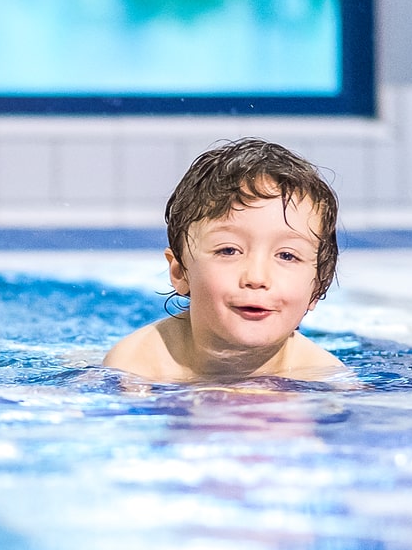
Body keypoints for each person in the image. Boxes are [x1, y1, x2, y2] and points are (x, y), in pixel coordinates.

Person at [103, 139, 345, 383]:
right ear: (179, 272)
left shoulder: (323, 378)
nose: (256, 277)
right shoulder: (137, 366)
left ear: (317, 288)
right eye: (229, 250)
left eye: (287, 255)